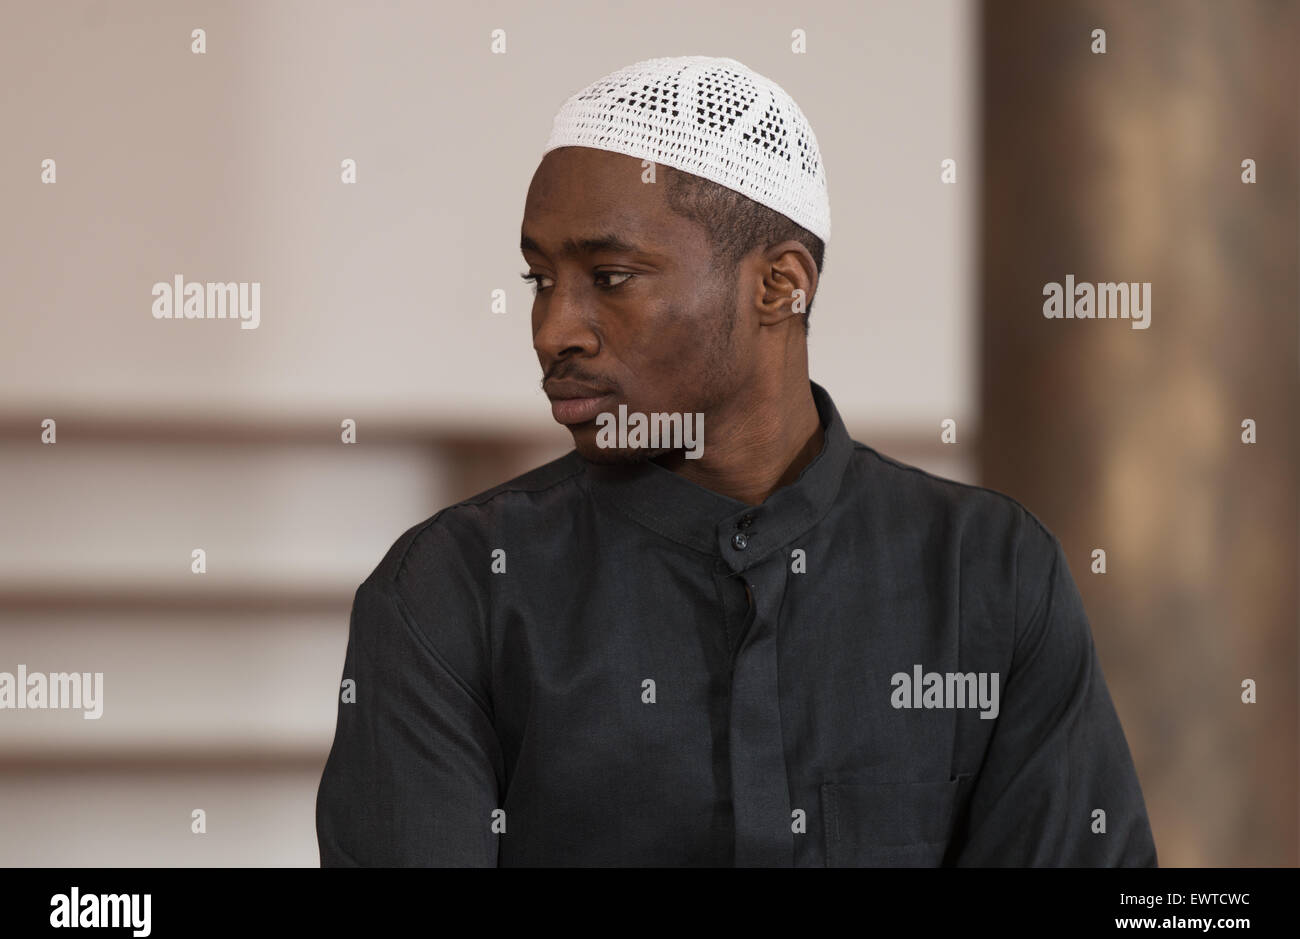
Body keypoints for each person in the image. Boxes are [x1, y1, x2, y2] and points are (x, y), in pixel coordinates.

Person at [315, 55, 1157, 867]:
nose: (553, 329)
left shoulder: (991, 574)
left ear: (780, 286)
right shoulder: (450, 593)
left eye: (609, 276)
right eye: (540, 279)